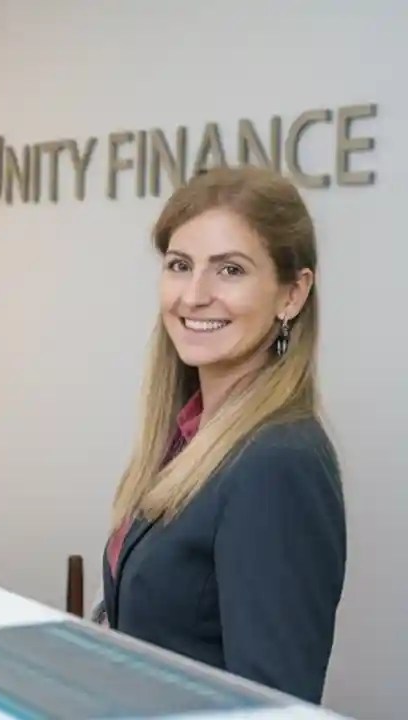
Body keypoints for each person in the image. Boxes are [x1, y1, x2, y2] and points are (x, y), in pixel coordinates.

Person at [98, 166, 346, 704]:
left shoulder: (279, 463)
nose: (194, 294)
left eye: (230, 270)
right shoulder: (189, 433)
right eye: (179, 266)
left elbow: (271, 706)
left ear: (292, 294)